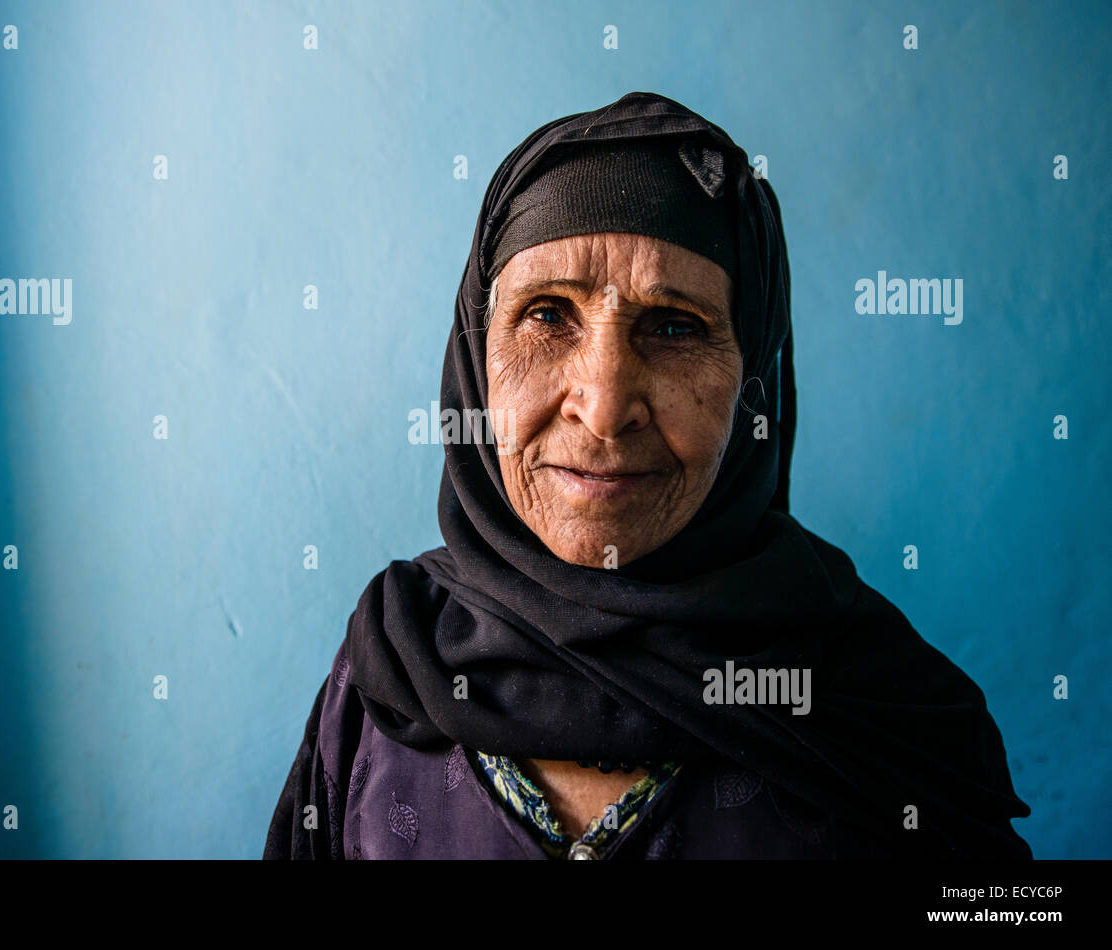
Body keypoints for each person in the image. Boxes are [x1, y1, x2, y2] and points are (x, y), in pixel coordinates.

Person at [263, 91, 1032, 860]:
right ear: (475, 361)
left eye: (674, 327)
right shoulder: (388, 672)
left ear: (751, 378)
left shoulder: (883, 720)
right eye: (545, 315)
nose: (603, 408)